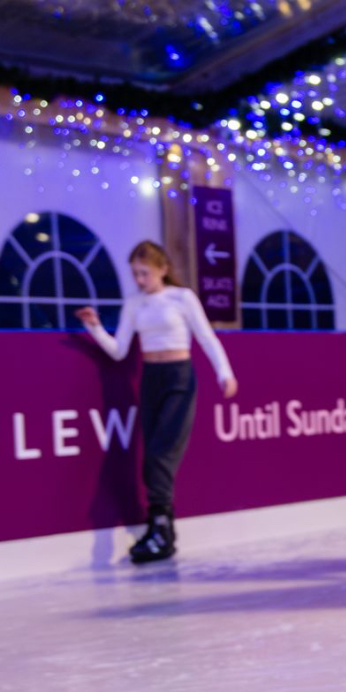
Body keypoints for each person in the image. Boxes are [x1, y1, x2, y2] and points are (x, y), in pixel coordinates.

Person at [75, 240, 237, 563]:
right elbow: (119, 350)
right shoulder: (134, 303)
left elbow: (206, 337)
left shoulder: (181, 298)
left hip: (178, 378)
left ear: (162, 269)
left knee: (161, 454)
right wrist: (94, 328)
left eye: (144, 273)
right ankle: (163, 529)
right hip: (151, 379)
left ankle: (160, 527)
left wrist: (225, 373)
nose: (139, 279)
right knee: (152, 455)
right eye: (135, 273)